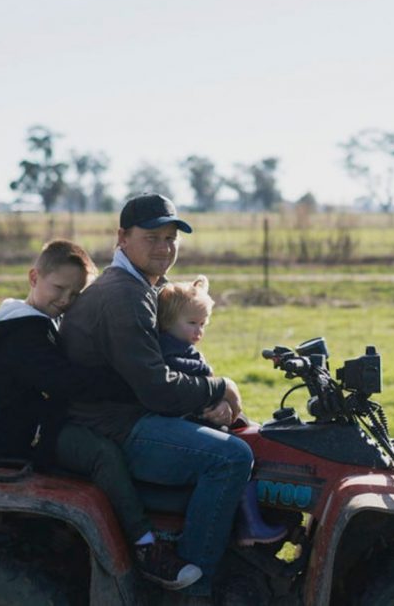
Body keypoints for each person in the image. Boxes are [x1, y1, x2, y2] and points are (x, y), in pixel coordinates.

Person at [0, 239, 202, 591]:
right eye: (58, 288)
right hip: (23, 437)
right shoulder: (23, 334)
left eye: (75, 295)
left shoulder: (39, 323)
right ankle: (144, 546)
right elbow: (68, 381)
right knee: (102, 454)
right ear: (34, 277)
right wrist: (136, 383)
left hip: (39, 424)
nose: (64, 301)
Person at [60, 193, 254, 598]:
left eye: (171, 238)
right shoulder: (124, 295)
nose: (164, 248)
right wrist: (221, 388)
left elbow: (170, 365)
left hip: (129, 412)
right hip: (114, 426)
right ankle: (191, 589)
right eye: (153, 237)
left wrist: (207, 402)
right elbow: (158, 389)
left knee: (248, 434)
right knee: (231, 456)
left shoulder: (145, 288)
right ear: (122, 238)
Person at [157, 275, 287, 546]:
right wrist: (215, 388)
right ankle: (249, 524)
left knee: (248, 429)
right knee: (240, 452)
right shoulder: (173, 351)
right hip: (184, 420)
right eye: (192, 323)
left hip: (193, 413)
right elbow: (198, 380)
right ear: (168, 321)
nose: (198, 331)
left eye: (203, 324)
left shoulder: (180, 347)